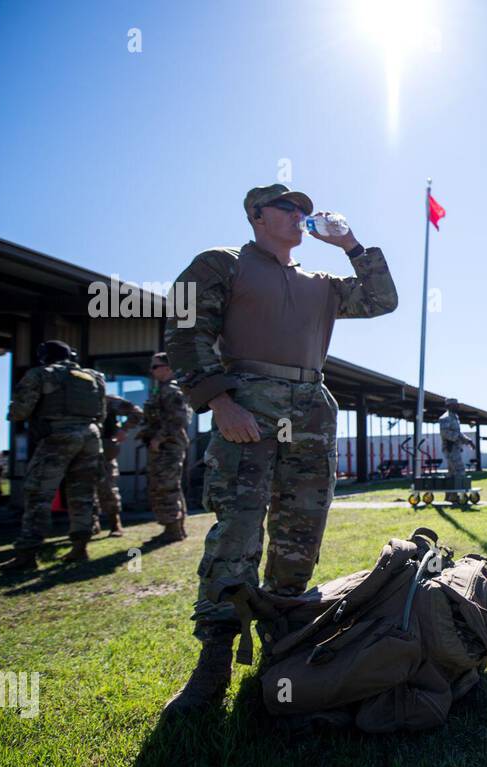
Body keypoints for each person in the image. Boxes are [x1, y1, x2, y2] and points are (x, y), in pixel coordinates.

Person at [160, 183, 398, 715]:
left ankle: (281, 653)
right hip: (248, 403)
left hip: (311, 409)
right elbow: (184, 325)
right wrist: (218, 400)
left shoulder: (322, 282)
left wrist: (353, 245)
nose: (299, 215)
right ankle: (213, 666)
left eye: (305, 210)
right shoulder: (223, 263)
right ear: (257, 215)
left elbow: (383, 299)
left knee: (300, 532)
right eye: (287, 208)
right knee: (238, 530)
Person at [1, 340, 106, 570]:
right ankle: (80, 548)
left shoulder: (41, 374)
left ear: (44, 356)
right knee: (83, 494)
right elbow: (102, 412)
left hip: (58, 436)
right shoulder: (94, 377)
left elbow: (19, 411)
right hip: (90, 436)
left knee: (38, 493)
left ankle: (27, 554)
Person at [139, 353, 191, 543]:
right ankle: (175, 527)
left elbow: (179, 420)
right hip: (165, 446)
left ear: (168, 368)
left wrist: (159, 439)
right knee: (168, 485)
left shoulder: (172, 390)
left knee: (165, 486)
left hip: (168, 446)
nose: (151, 371)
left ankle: (173, 530)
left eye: (155, 366)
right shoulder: (161, 389)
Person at [93, 394, 143, 536]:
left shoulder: (108, 400)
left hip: (105, 447)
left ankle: (115, 525)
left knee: (107, 486)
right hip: (81, 448)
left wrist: (123, 429)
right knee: (83, 488)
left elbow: (136, 412)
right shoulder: (73, 398)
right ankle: (90, 525)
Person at [438, 397, 475, 503]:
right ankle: (455, 495)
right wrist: (458, 438)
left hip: (455, 448)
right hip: (450, 448)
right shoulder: (445, 418)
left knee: (451, 472)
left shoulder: (455, 417)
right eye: (454, 404)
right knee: (460, 470)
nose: (457, 406)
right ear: (448, 406)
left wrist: (468, 441)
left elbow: (458, 433)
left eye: (457, 404)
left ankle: (449, 495)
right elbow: (445, 433)